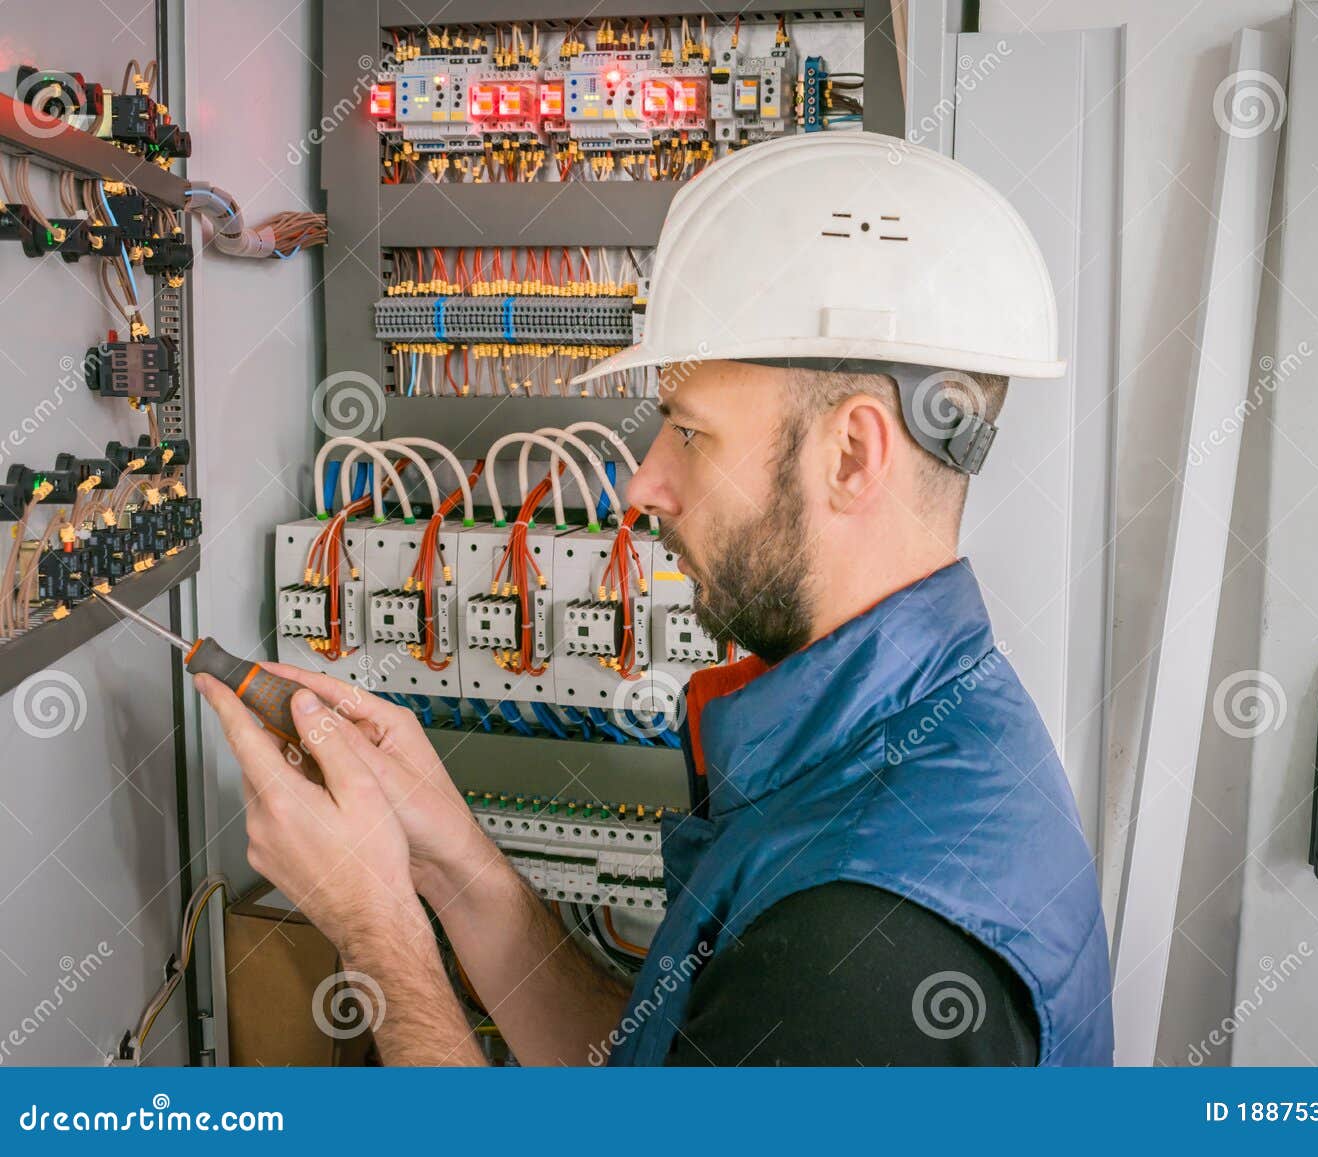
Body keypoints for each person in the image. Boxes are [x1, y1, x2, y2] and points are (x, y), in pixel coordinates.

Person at [200, 133, 1113, 1066]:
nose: (644, 485)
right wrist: (452, 864)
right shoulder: (903, 744)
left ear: (852, 454)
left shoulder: (866, 952)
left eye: (690, 432)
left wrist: (376, 931)